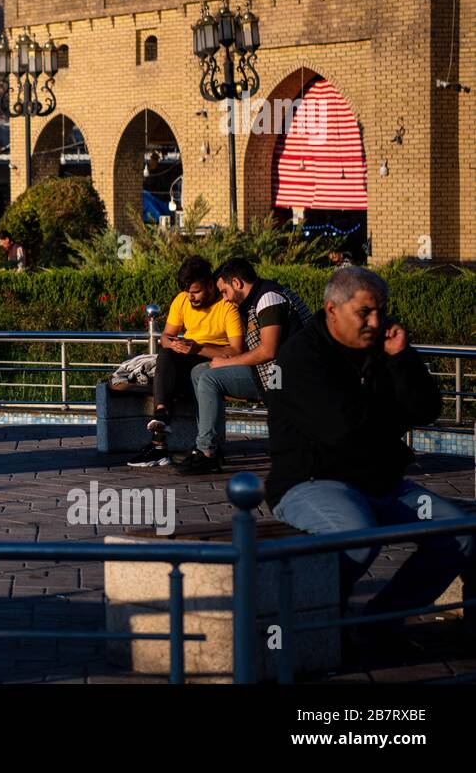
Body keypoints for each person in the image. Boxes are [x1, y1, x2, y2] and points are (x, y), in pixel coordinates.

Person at [265, 267, 472, 641]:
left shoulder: (384, 348)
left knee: (458, 533)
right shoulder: (299, 358)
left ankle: (376, 625)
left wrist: (401, 358)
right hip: (311, 482)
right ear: (332, 310)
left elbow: (425, 410)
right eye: (365, 313)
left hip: (381, 481)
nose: (375, 322)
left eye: (381, 310)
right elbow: (340, 430)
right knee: (356, 533)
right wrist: (390, 414)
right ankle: (315, 622)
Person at [179, 258, 310, 475]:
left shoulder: (269, 298)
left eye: (224, 292)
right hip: (269, 371)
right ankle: (212, 445)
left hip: (284, 376)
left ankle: (207, 454)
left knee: (210, 377)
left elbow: (269, 350)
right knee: (199, 371)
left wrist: (226, 362)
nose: (225, 299)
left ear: (237, 283)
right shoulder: (253, 301)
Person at [127, 255, 242, 467]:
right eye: (188, 292)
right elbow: (165, 337)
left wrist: (197, 348)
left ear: (209, 284)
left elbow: (236, 351)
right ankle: (161, 415)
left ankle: (167, 446)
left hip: (212, 360)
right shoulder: (182, 299)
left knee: (196, 372)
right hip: (184, 358)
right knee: (166, 354)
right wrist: (173, 344)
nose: (191, 297)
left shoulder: (227, 306)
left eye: (196, 291)